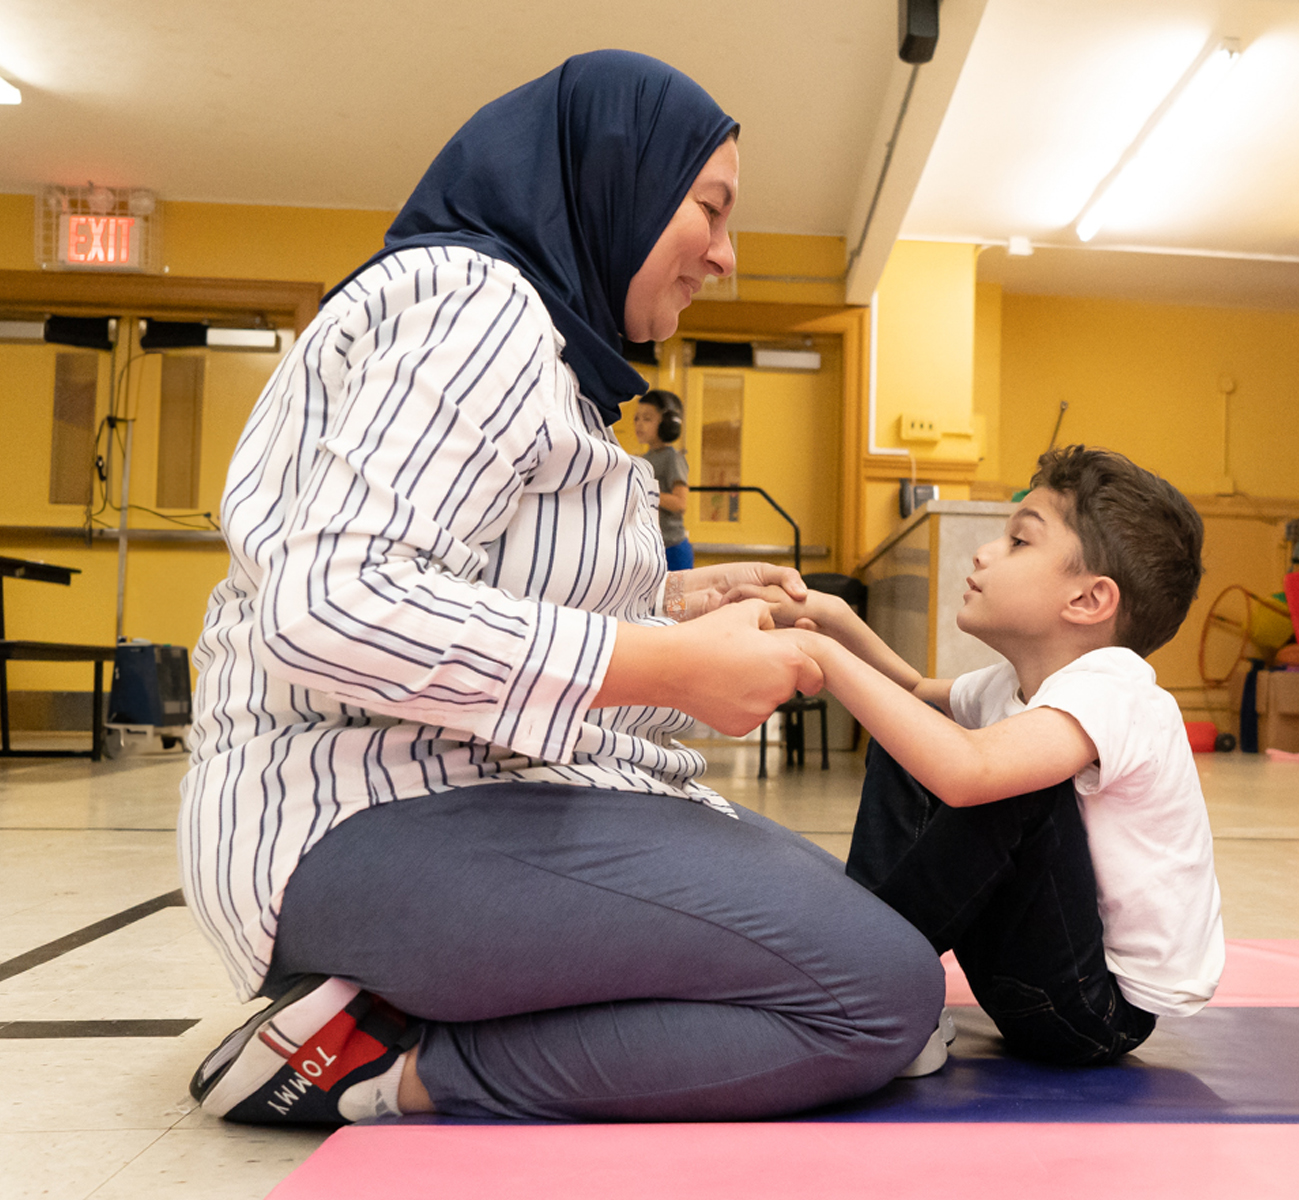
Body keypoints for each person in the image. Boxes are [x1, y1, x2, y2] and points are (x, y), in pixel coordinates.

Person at [178, 51, 943, 1127]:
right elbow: (333, 603)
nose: (724, 256)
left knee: (874, 971)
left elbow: (471, 577)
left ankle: (396, 1007)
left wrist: (673, 606)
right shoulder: (479, 308)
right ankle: (378, 1065)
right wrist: (670, 665)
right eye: (710, 208)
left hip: (461, 797)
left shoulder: (540, 349)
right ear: (617, 181)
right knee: (876, 999)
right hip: (362, 815)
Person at [753, 446, 1225, 1066]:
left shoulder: (1118, 690)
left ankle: (870, 980)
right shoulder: (1015, 685)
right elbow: (912, 692)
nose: (984, 552)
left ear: (1088, 601)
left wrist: (823, 658)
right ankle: (876, 964)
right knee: (916, 732)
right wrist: (835, 619)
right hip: (1031, 970)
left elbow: (971, 773)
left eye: (1019, 542)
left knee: (1008, 782)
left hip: (1095, 1009)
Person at [632, 389, 694, 570]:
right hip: (651, 545)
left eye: (647, 419)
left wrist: (647, 490)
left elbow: (680, 503)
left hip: (672, 548)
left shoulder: (673, 458)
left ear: (667, 423)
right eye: (636, 418)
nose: (639, 424)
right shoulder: (643, 460)